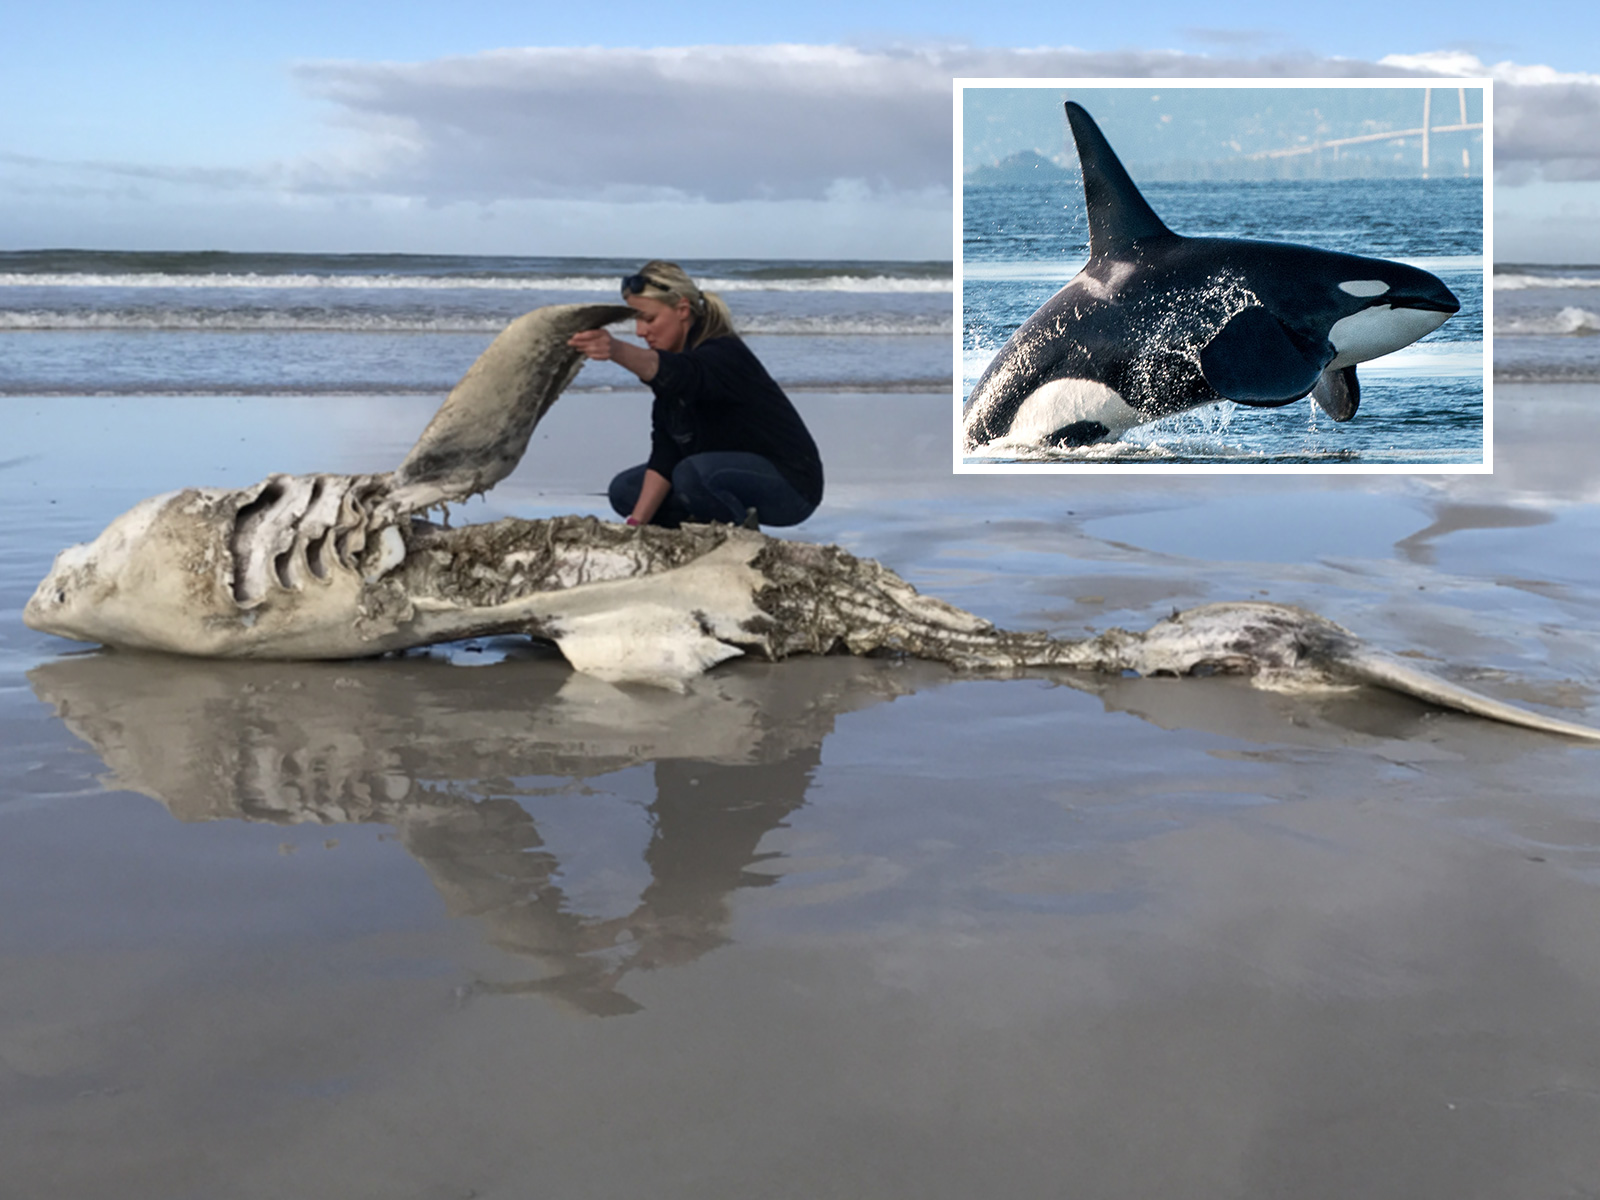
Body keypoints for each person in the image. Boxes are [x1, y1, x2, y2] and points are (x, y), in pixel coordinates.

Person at [566, 261, 823, 530]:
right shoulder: (672, 370)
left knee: (692, 475)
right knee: (625, 491)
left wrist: (616, 349)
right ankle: (695, 537)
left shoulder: (723, 354)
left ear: (682, 310)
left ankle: (742, 544)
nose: (641, 332)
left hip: (791, 487)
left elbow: (682, 374)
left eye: (649, 319)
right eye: (636, 321)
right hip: (715, 474)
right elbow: (666, 455)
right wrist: (635, 524)